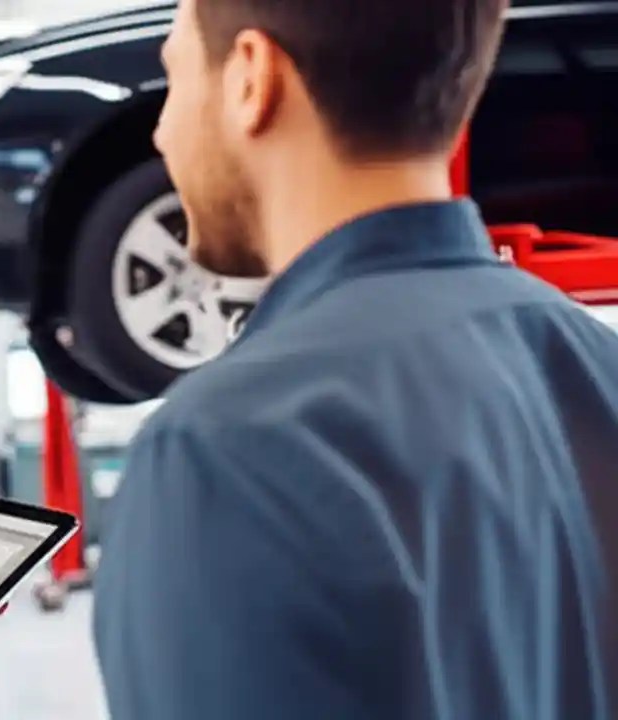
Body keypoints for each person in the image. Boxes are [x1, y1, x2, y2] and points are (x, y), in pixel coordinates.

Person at [93, 1, 618, 718]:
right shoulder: (595, 366)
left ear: (252, 76)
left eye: (174, 78)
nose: (160, 131)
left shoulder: (225, 448)